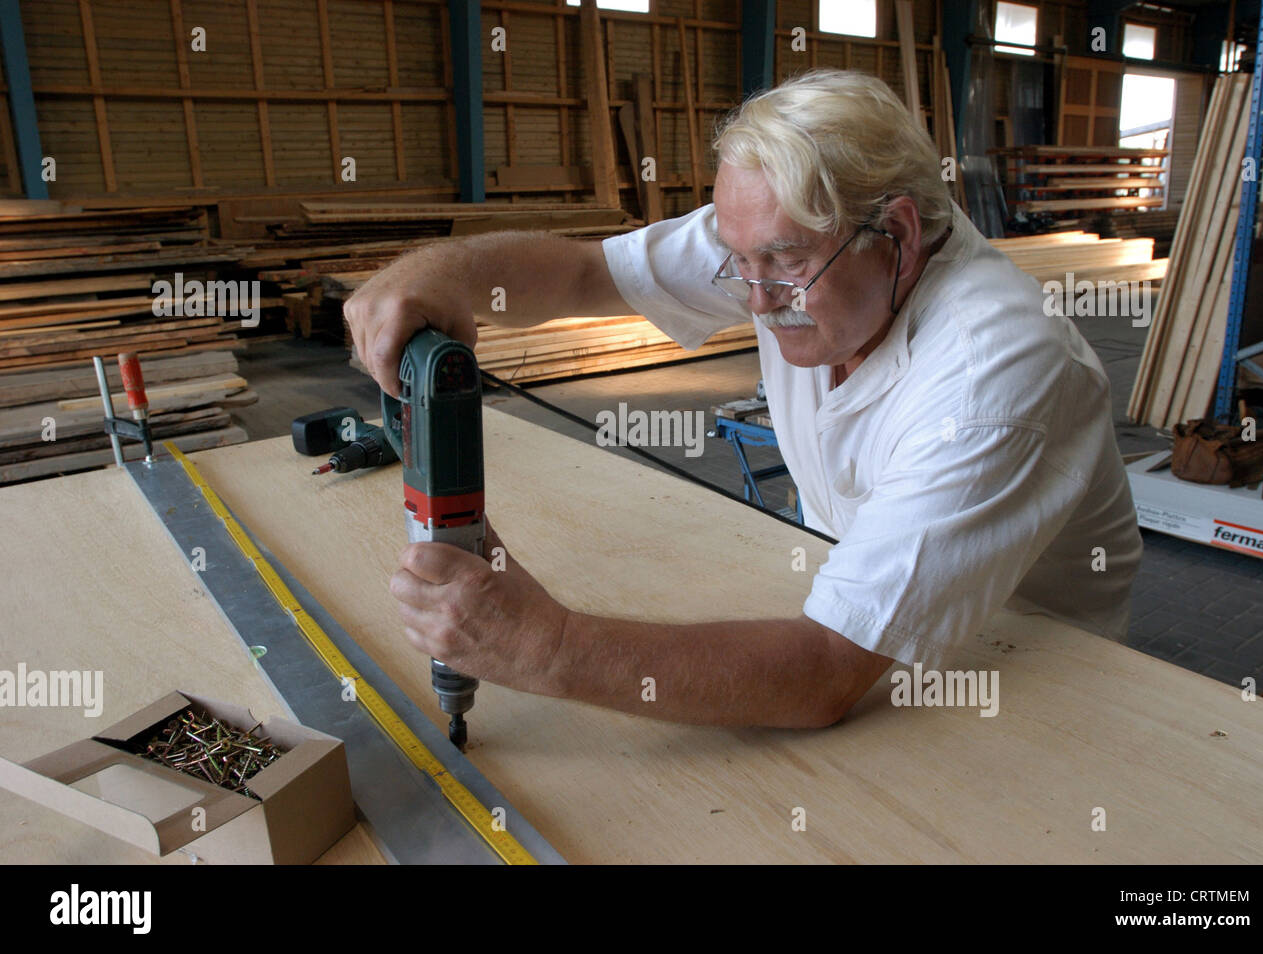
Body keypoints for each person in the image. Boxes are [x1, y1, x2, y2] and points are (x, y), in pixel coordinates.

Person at [344, 68, 1142, 729]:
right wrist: (432, 276)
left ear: (896, 237)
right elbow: (587, 274)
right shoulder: (781, 236)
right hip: (862, 614)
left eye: (782, 266)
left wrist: (549, 648)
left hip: (1023, 681)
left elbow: (823, 672)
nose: (755, 302)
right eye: (739, 261)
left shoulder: (990, 375)